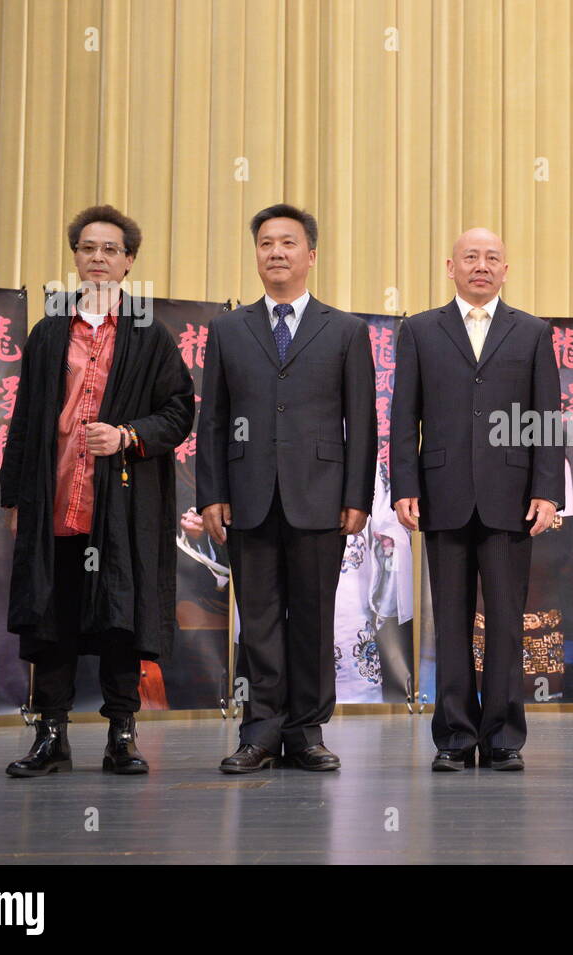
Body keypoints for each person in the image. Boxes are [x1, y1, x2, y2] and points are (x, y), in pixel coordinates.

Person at [1, 205, 195, 777]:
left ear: (129, 261)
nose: (99, 259)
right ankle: (51, 734)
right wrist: (16, 498)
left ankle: (122, 734)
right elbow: (24, 419)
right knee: (51, 615)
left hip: (121, 502)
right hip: (55, 496)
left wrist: (128, 434)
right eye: (89, 248)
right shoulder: (47, 332)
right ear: (76, 257)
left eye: (111, 250)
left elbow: (179, 411)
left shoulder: (150, 335)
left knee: (119, 615)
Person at [196, 204, 376, 774]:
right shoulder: (228, 329)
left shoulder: (345, 330)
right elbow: (214, 422)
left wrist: (357, 497)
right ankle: (259, 732)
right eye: (267, 243)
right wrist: (211, 495)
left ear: (311, 255)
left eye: (288, 243)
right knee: (259, 620)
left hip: (321, 497)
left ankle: (306, 733)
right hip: (247, 497)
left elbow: (362, 422)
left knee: (313, 619)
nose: (276, 252)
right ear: (257, 254)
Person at [391, 228, 562, 772]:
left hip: (511, 497)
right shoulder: (419, 330)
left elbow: (546, 420)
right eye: (471, 257)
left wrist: (547, 491)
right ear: (451, 266)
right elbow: (403, 417)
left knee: (509, 620)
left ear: (506, 269)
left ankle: (505, 737)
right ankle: (455, 738)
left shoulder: (532, 332)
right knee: (451, 617)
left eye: (492, 258)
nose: (481, 265)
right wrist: (404, 486)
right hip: (441, 495)